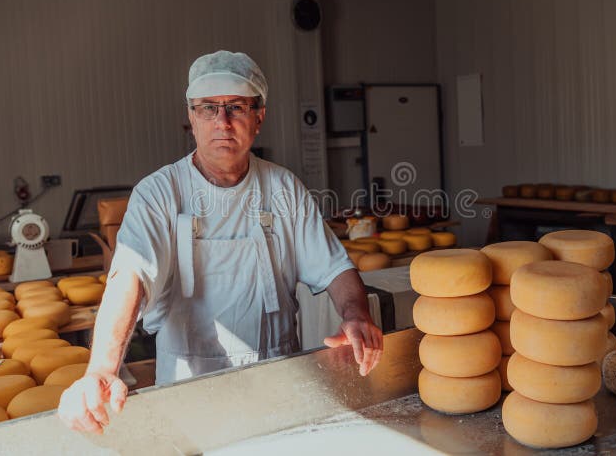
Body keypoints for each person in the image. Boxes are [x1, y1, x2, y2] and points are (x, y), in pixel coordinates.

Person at [58, 51, 383, 433]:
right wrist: (102, 367)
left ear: (259, 117)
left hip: (277, 383)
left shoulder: (283, 188)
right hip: (188, 392)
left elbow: (334, 267)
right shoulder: (161, 192)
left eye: (236, 107)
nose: (222, 122)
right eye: (208, 108)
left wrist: (356, 314)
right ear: (191, 118)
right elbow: (130, 275)